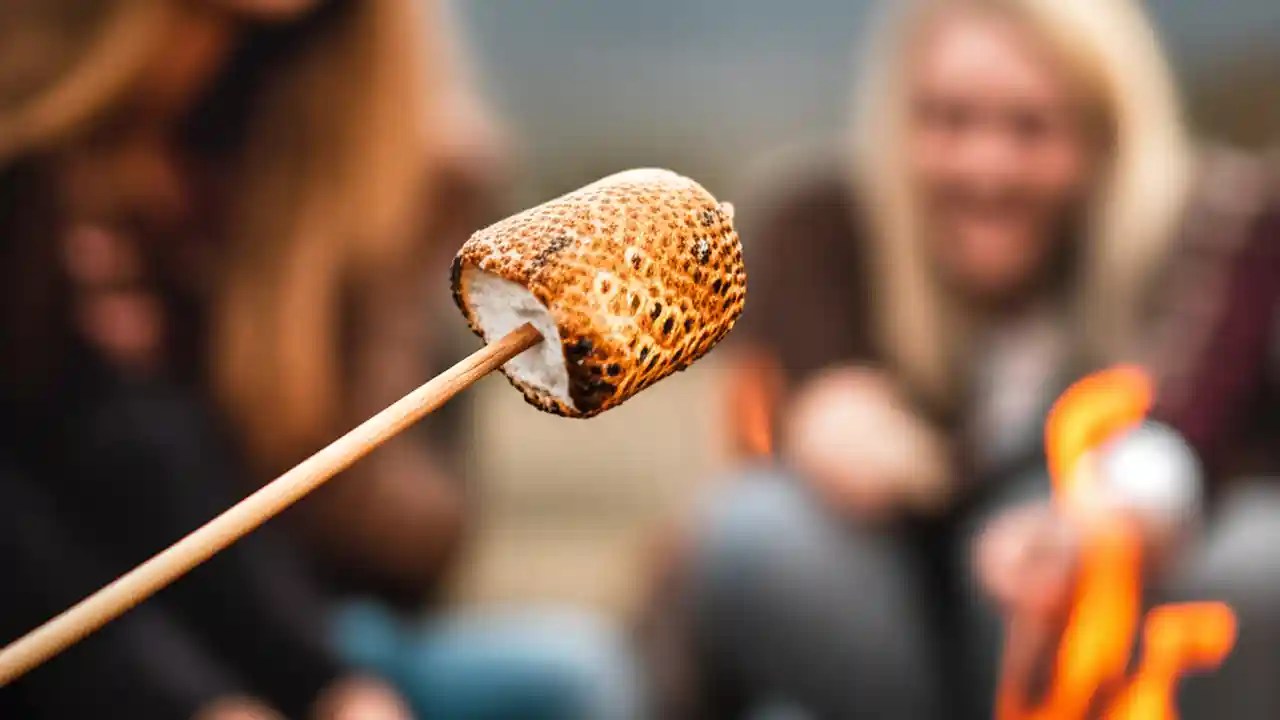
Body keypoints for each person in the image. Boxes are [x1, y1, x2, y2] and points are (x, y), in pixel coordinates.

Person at [0, 1, 638, 718]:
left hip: (290, 612)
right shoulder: (44, 155)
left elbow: (409, 535)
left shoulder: (369, 132)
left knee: (572, 673)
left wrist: (326, 681)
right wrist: (196, 698)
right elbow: (92, 472)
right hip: (82, 632)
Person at [651, 0, 1280, 718]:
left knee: (1239, 551)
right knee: (763, 528)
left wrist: (1104, 518)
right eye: (950, 121)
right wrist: (825, 411)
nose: (987, 167)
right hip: (894, 629)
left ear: (1105, 134)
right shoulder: (825, 227)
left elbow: (1199, 412)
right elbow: (827, 419)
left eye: (1030, 127)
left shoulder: (1213, 230)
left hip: (1109, 613)